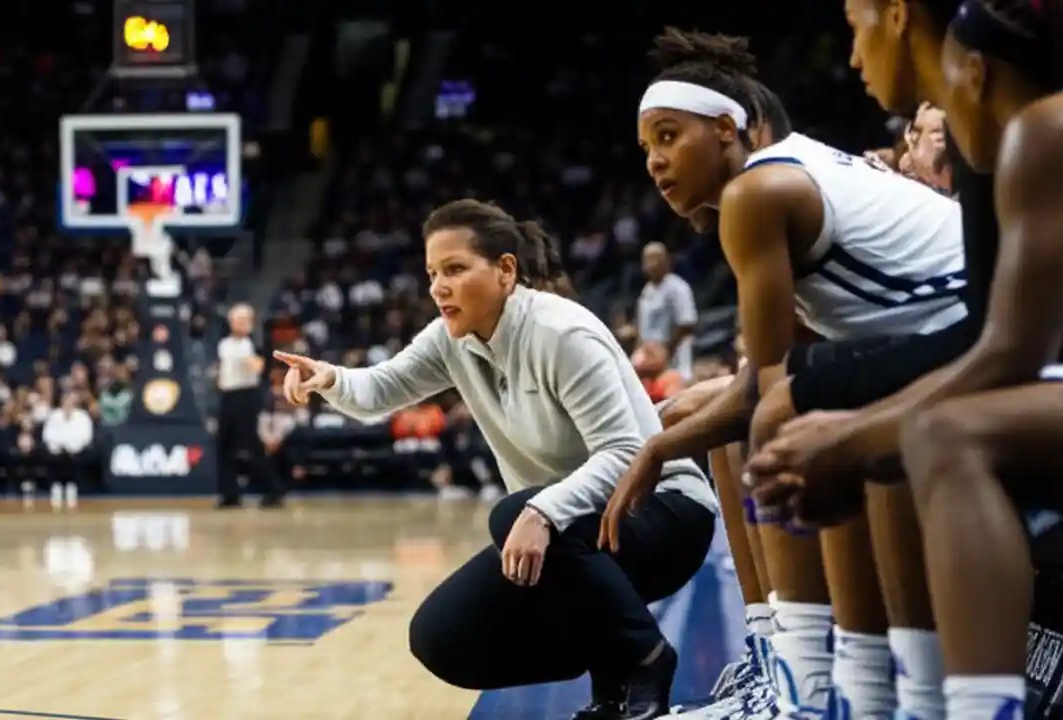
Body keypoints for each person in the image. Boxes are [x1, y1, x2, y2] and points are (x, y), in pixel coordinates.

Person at [748, 2, 1063, 718]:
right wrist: (861, 440)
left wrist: (846, 441)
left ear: (974, 73)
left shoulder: (1046, 131)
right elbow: (1056, 359)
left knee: (951, 436)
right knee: (934, 427)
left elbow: (1007, 355)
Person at [606, 28, 971, 719]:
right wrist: (666, 432)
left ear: (725, 128)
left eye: (667, 136)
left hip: (972, 337)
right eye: (646, 147)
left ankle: (812, 690)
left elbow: (772, 387)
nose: (654, 162)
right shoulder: (788, 174)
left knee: (781, 417)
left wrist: (656, 448)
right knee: (720, 414)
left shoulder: (756, 193)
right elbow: (777, 366)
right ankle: (779, 665)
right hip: (942, 336)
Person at [275, 199, 718, 720]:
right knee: (441, 636)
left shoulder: (562, 334)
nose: (439, 286)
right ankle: (611, 662)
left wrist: (541, 513)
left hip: (665, 513)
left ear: (506, 270)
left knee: (514, 514)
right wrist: (329, 379)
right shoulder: (451, 338)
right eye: (433, 273)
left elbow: (626, 453)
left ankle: (646, 657)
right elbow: (383, 387)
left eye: (456, 269)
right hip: (575, 533)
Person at [215, 303, 285, 508]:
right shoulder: (224, 343)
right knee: (224, 445)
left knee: (254, 446)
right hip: (227, 396)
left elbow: (261, 367)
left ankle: (274, 491)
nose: (236, 323)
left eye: (241, 319)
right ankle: (229, 495)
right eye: (234, 319)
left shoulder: (254, 342)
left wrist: (253, 359)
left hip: (246, 396)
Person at [637, 242, 699, 382]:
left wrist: (665, 352)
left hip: (675, 363)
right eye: (647, 260)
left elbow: (687, 324)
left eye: (655, 259)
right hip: (651, 363)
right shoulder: (646, 291)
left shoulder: (678, 287)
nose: (651, 264)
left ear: (667, 261)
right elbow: (642, 329)